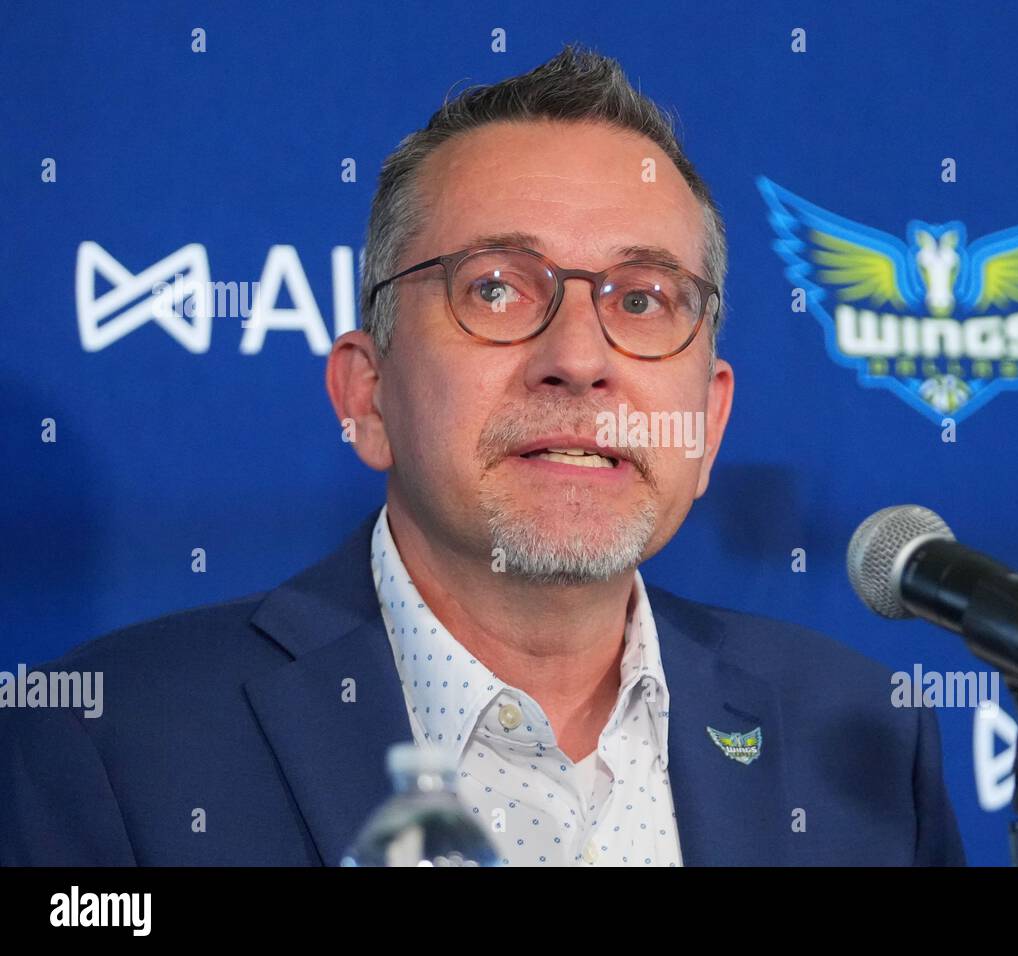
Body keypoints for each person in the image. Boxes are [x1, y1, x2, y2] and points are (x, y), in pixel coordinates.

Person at [0, 43, 964, 866]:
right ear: (367, 394)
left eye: (641, 299)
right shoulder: (106, 742)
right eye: (497, 289)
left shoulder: (861, 735)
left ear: (708, 425)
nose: (580, 360)